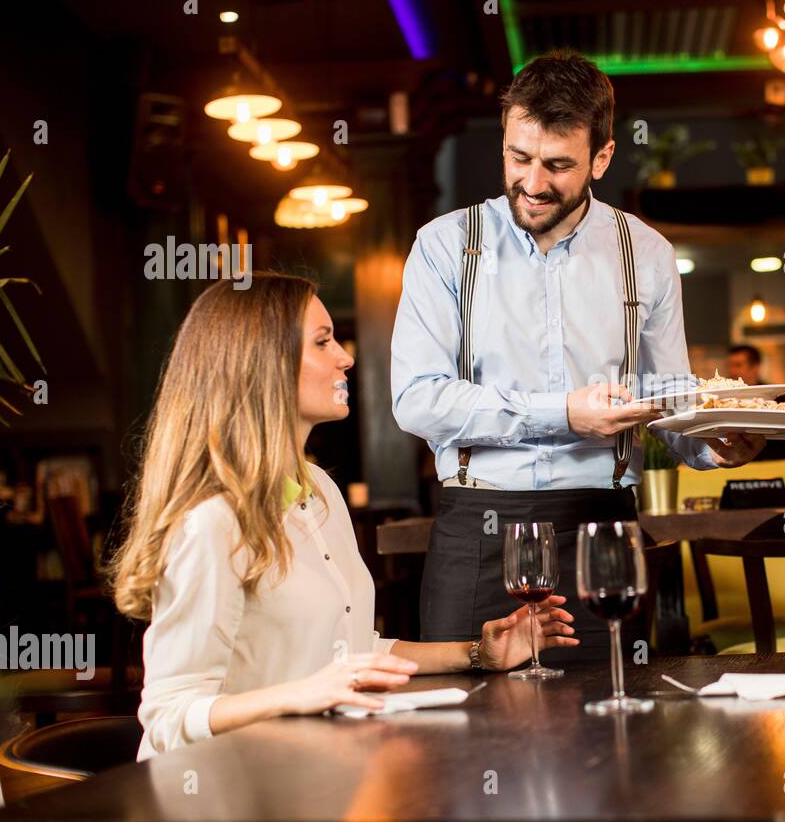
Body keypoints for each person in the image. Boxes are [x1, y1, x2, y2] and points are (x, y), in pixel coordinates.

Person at [110, 274, 579, 760]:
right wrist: (298, 695)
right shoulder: (211, 520)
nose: (346, 356)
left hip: (310, 772)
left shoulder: (321, 491)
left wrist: (477, 654)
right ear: (262, 363)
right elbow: (168, 715)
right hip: (224, 794)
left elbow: (355, 650)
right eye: (322, 341)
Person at [391, 51, 763, 662]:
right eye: (519, 158)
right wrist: (563, 413)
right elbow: (418, 400)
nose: (533, 184)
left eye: (558, 165)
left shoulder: (646, 252)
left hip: (604, 532)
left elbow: (668, 403)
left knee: (614, 736)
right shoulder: (444, 247)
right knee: (463, 744)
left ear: (601, 158)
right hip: (478, 532)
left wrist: (714, 444)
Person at [724, 343, 785, 461]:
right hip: (735, 466)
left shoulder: (778, 398)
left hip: (776, 465)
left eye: (738, 365)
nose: (732, 371)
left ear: (755, 367)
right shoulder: (723, 401)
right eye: (730, 365)